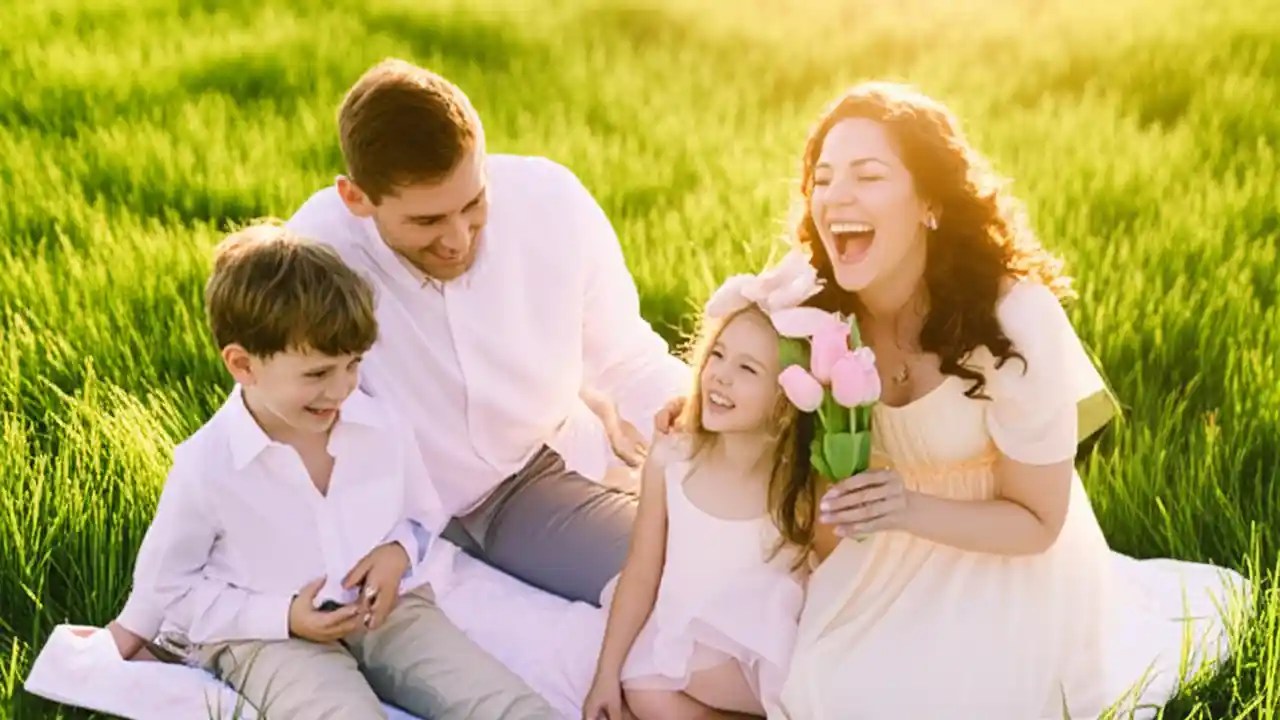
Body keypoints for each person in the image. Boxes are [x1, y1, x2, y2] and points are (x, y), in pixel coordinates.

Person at [658, 82, 1248, 719]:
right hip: (872, 555)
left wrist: (909, 507)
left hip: (1004, 559)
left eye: (869, 175)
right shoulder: (815, 301)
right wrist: (686, 405)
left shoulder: (1014, 320)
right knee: (796, 685)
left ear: (930, 203)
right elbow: (733, 341)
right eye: (823, 179)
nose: (836, 197)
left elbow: (1039, 523)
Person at [284, 58, 690, 606]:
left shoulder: (551, 202)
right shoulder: (317, 251)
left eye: (473, 204)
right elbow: (277, 406)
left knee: (702, 576)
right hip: (402, 511)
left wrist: (705, 432)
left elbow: (627, 357)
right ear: (355, 198)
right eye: (426, 222)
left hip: (533, 475)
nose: (457, 240)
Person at [109, 223, 558, 719]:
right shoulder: (207, 467)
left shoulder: (381, 426)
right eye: (318, 373)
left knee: (505, 704)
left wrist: (397, 552)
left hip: (384, 609)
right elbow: (169, 586)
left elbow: (423, 513)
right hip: (266, 637)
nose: (343, 388)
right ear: (243, 365)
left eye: (354, 364)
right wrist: (282, 617)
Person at [583, 256, 824, 720]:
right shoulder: (673, 459)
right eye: (717, 354)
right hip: (689, 635)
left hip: (766, 656)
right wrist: (605, 674)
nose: (721, 375)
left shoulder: (796, 483)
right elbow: (642, 570)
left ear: (785, 402)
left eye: (748, 369)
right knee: (642, 686)